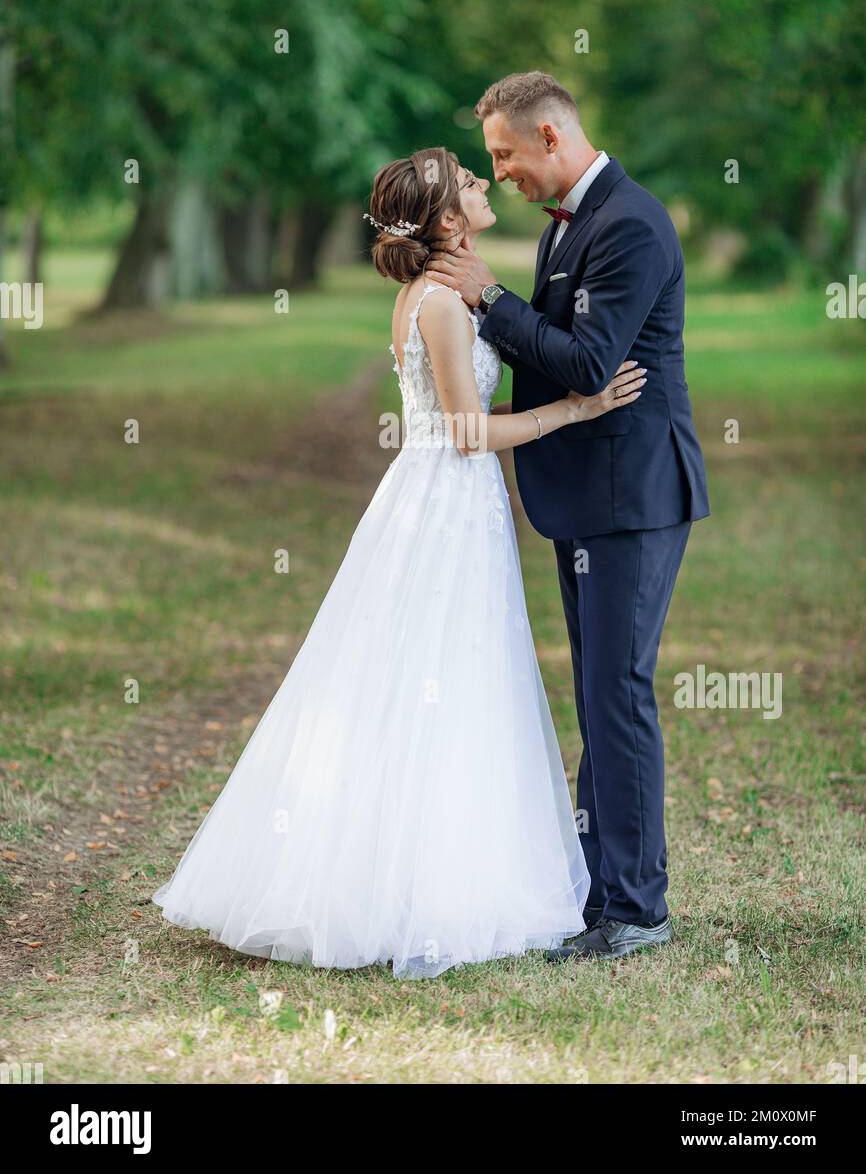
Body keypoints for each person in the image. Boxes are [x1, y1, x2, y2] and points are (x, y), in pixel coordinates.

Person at [151, 145, 646, 979]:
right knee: (438, 679)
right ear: (448, 221)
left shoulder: (443, 292)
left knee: (437, 679)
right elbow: (464, 430)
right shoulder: (443, 307)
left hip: (448, 502)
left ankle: (429, 865)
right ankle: (416, 889)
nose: (486, 183)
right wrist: (577, 406)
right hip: (447, 501)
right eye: (470, 182)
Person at [425, 73, 710, 961]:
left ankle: (636, 909)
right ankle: (600, 890)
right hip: (587, 491)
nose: (497, 170)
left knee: (617, 693)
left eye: (504, 154)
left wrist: (488, 299)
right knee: (597, 692)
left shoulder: (629, 224)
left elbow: (589, 363)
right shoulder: (572, 224)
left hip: (633, 494)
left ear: (550, 138)